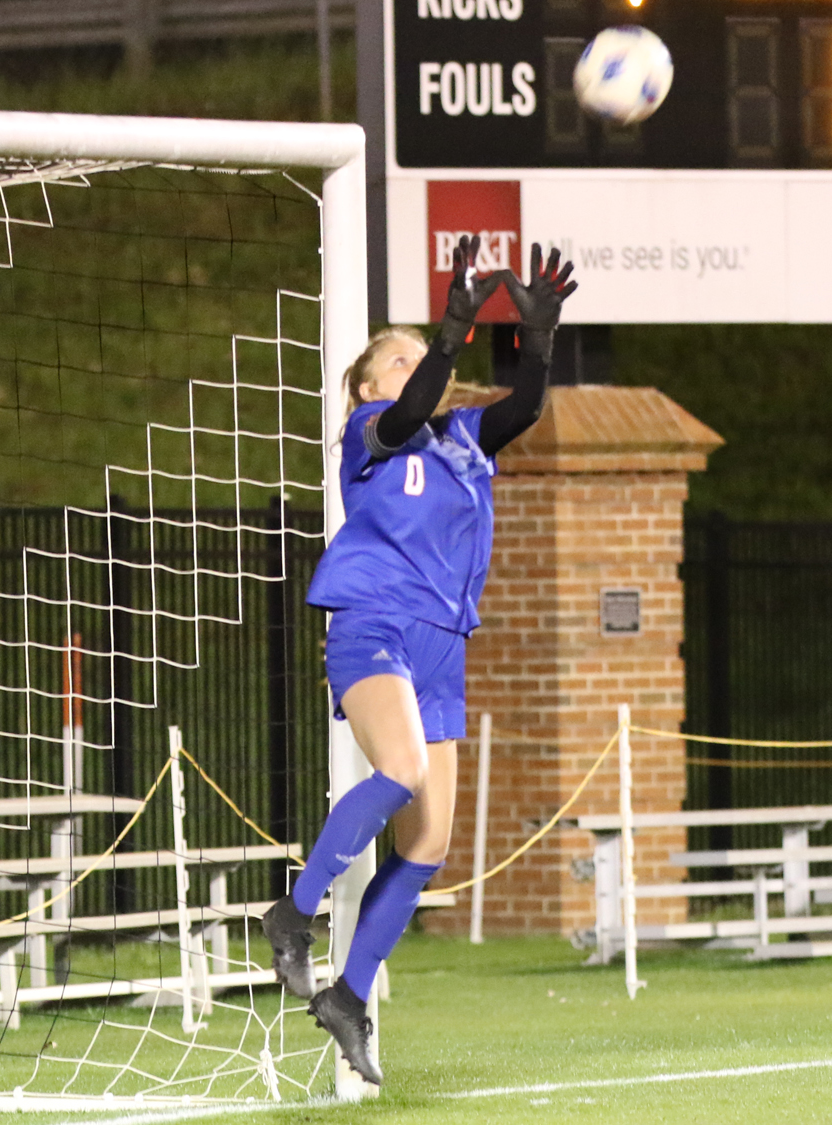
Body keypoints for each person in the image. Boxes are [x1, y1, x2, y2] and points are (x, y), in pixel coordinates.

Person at [258, 236, 576, 1086]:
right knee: (397, 768)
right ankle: (292, 913)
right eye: (393, 360)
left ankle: (349, 996)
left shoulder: (465, 438)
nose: (411, 369)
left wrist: (536, 340)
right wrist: (449, 332)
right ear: (366, 388)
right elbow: (408, 411)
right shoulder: (373, 432)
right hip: (374, 625)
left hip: (443, 645)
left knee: (431, 841)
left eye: (415, 358)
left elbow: (524, 410)